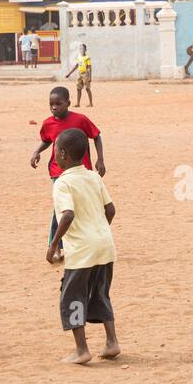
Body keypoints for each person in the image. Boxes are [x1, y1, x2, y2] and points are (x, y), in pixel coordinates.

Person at [47, 128, 120, 365]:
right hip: (105, 245)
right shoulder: (93, 177)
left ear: (63, 154)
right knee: (100, 293)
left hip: (82, 250)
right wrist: (99, 229)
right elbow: (110, 210)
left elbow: (66, 215)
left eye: (56, 150)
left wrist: (53, 245)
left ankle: (82, 349)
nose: (55, 154)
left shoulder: (62, 183)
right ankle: (112, 342)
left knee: (73, 297)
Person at [30, 87, 104, 262]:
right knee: (61, 210)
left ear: (68, 103)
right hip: (59, 171)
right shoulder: (48, 123)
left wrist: (100, 159)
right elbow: (47, 140)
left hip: (82, 170)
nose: (54, 107)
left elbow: (97, 136)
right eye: (51, 104)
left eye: (58, 104)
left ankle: (88, 242)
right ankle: (54, 246)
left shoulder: (81, 120)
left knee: (85, 206)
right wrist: (36, 151)